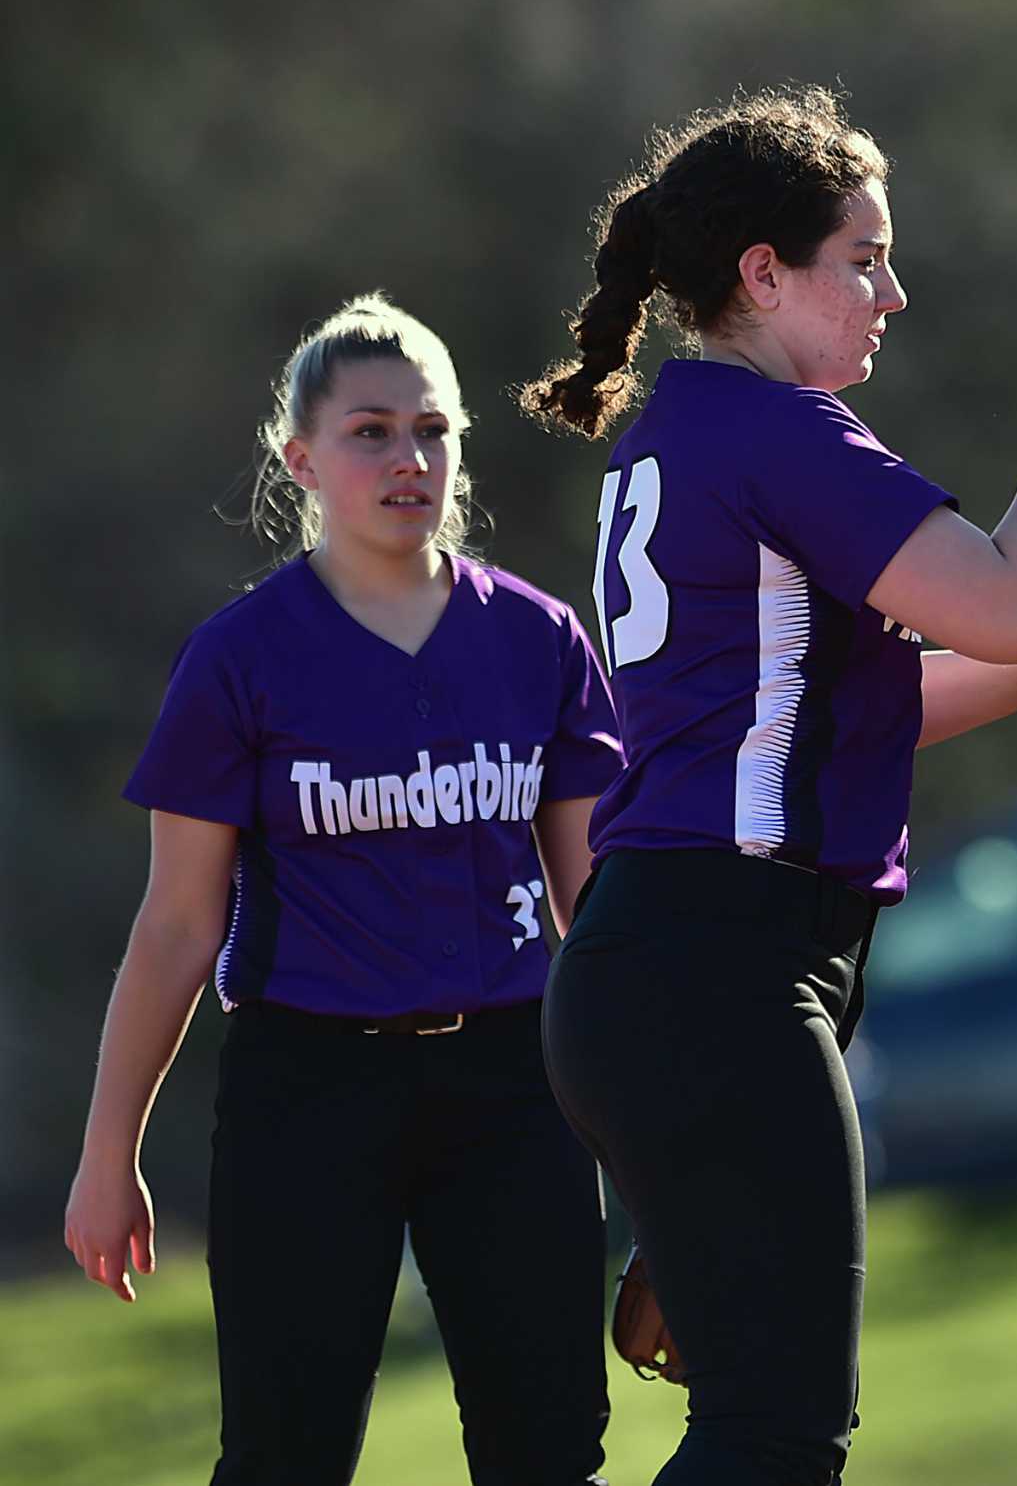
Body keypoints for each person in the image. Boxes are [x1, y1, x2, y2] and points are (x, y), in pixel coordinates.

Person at [519, 86, 1017, 1485]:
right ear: (762, 273)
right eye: (864, 255)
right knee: (777, 1433)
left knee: (757, 1422)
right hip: (718, 974)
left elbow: (862, 702)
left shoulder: (680, 432)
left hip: (661, 970)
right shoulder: (777, 433)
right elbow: (1015, 596)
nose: (893, 291)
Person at [62, 295, 623, 1486]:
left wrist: (659, 1143)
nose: (408, 459)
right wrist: (110, 1151)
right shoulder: (242, 657)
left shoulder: (536, 638)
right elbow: (174, 927)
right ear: (301, 458)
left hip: (513, 1087)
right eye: (369, 431)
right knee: (285, 1455)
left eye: (432, 429)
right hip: (308, 1090)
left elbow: (601, 918)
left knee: (551, 1454)